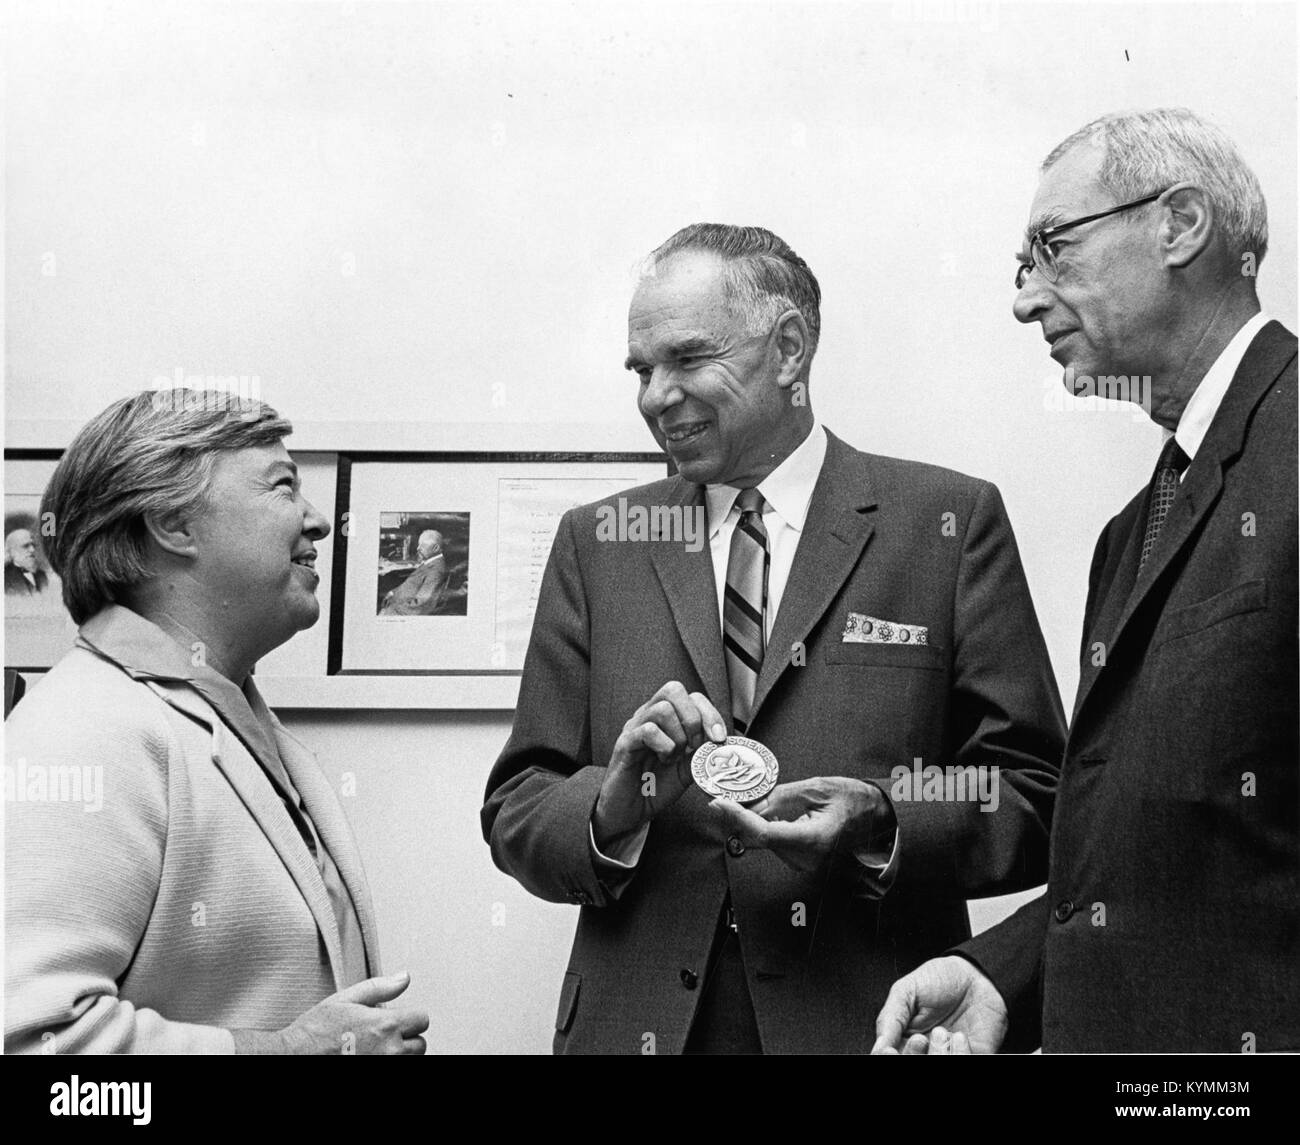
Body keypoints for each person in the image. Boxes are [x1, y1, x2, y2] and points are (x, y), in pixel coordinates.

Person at [482, 223, 1066, 1054]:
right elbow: (517, 804)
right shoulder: (598, 539)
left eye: (686, 359)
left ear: (789, 347)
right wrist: (612, 805)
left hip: (874, 1028)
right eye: (641, 371)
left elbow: (1036, 793)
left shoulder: (946, 524)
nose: (655, 395)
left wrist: (882, 816)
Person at [873, 108, 1298, 1055]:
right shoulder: (1130, 533)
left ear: (1180, 224)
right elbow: (1169, 853)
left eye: (1053, 249)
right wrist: (998, 973)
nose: (1027, 301)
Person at [5, 390, 429, 1054]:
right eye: (283, 486)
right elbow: (33, 1046)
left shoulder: (227, 717)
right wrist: (287, 1053)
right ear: (174, 523)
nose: (316, 520)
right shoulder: (84, 731)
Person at [379, 529, 449, 616]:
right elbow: (410, 584)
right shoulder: (430, 562)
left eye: (422, 545)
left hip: (402, 611)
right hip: (399, 602)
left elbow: (422, 604)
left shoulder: (436, 570)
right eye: (419, 545)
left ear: (436, 548)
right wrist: (393, 592)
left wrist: (394, 608)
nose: (418, 548)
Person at [4, 528, 48, 595]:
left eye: (33, 545)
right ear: (12, 551)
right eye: (26, 546)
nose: (32, 550)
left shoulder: (42, 575)